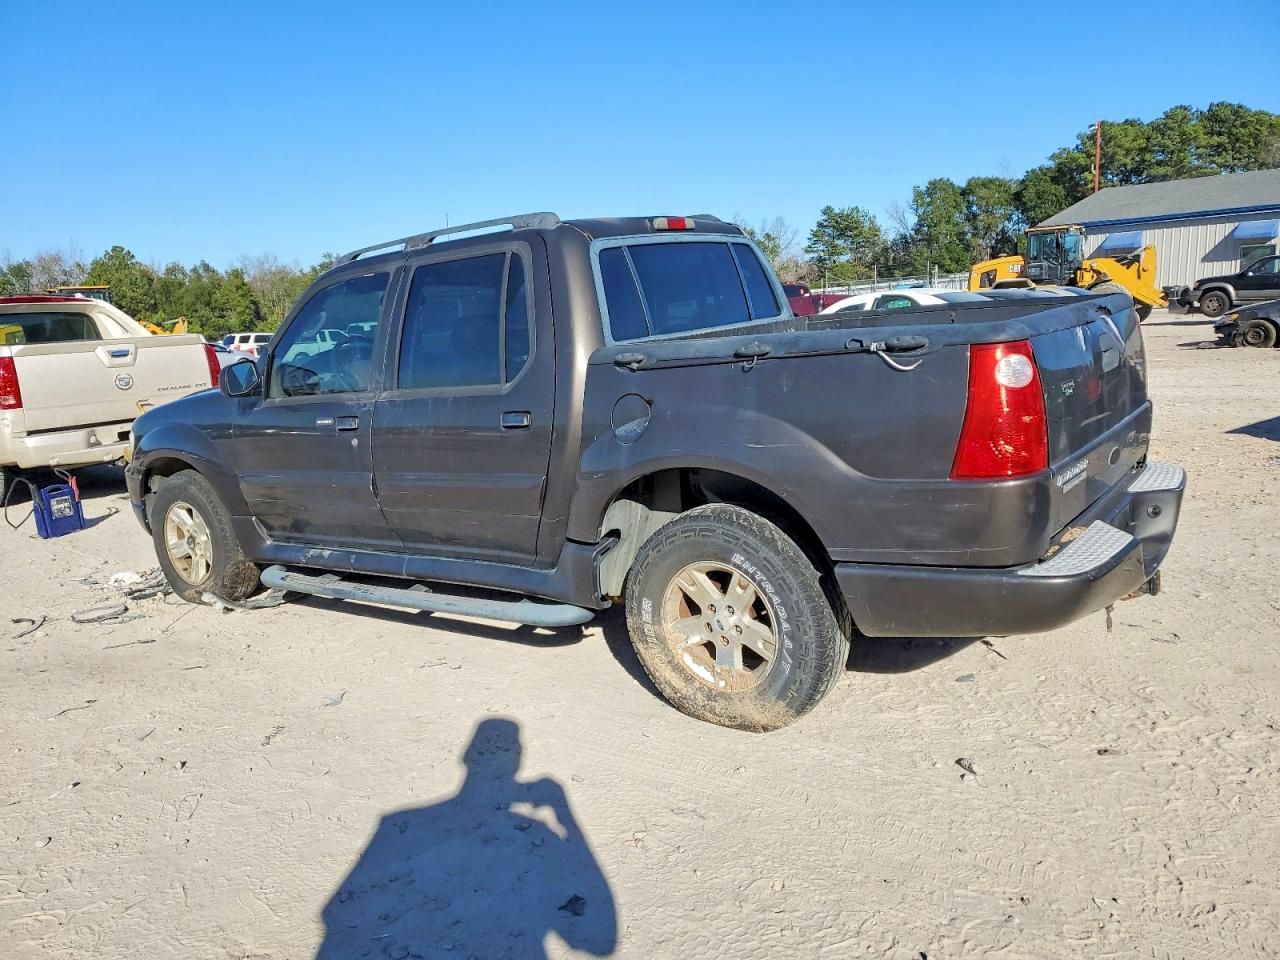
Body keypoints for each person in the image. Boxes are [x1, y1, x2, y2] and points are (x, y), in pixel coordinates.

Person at [316, 718, 617, 959]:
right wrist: (566, 815)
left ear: (466, 757)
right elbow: (602, 942)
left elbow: (335, 914)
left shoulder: (396, 823)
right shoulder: (541, 832)